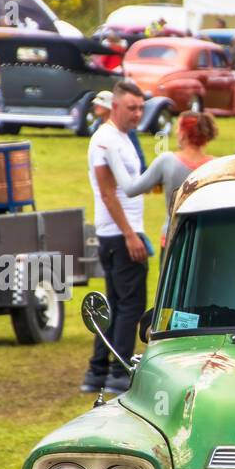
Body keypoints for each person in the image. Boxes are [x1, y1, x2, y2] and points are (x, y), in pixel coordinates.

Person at [82, 81, 149, 396]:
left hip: (118, 231)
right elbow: (108, 193)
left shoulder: (120, 138)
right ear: (116, 107)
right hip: (119, 232)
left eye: (141, 108)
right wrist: (130, 234)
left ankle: (97, 371)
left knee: (115, 305)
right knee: (131, 305)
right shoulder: (106, 140)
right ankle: (118, 372)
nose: (137, 114)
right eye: (131, 108)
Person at [104, 111, 217, 247]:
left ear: (183, 134)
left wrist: (111, 154)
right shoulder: (215, 165)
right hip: (206, 239)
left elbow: (130, 189)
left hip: (173, 240)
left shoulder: (168, 161)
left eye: (178, 128)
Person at [90, 90, 146, 172]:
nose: (96, 106)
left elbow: (138, 156)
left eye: (100, 104)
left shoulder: (124, 128)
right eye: (96, 104)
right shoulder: (97, 127)